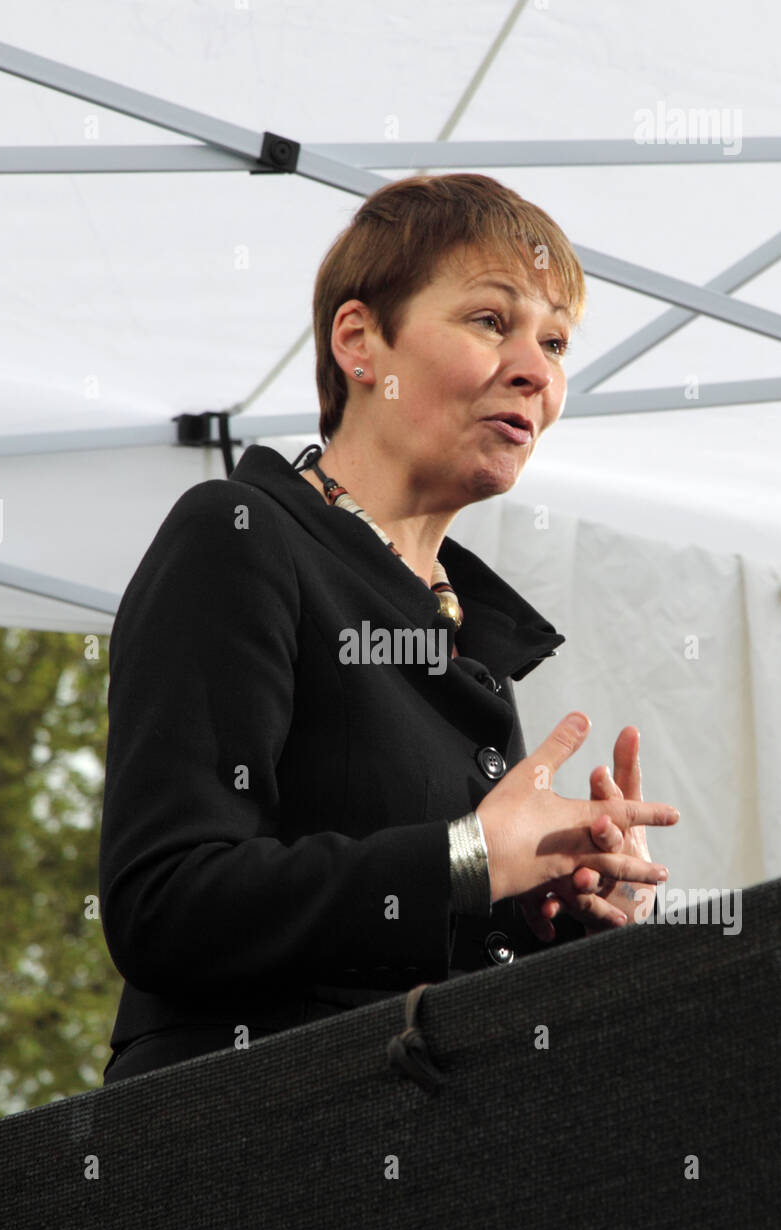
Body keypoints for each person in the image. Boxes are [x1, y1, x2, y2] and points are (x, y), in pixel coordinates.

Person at [99, 173, 679, 1085]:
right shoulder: (239, 535)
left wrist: (560, 912)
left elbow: (434, 941)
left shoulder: (468, 632)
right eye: (492, 321)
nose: (537, 370)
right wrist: (468, 859)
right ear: (361, 342)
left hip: (431, 1183)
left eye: (557, 341)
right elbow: (162, 903)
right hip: (247, 1163)